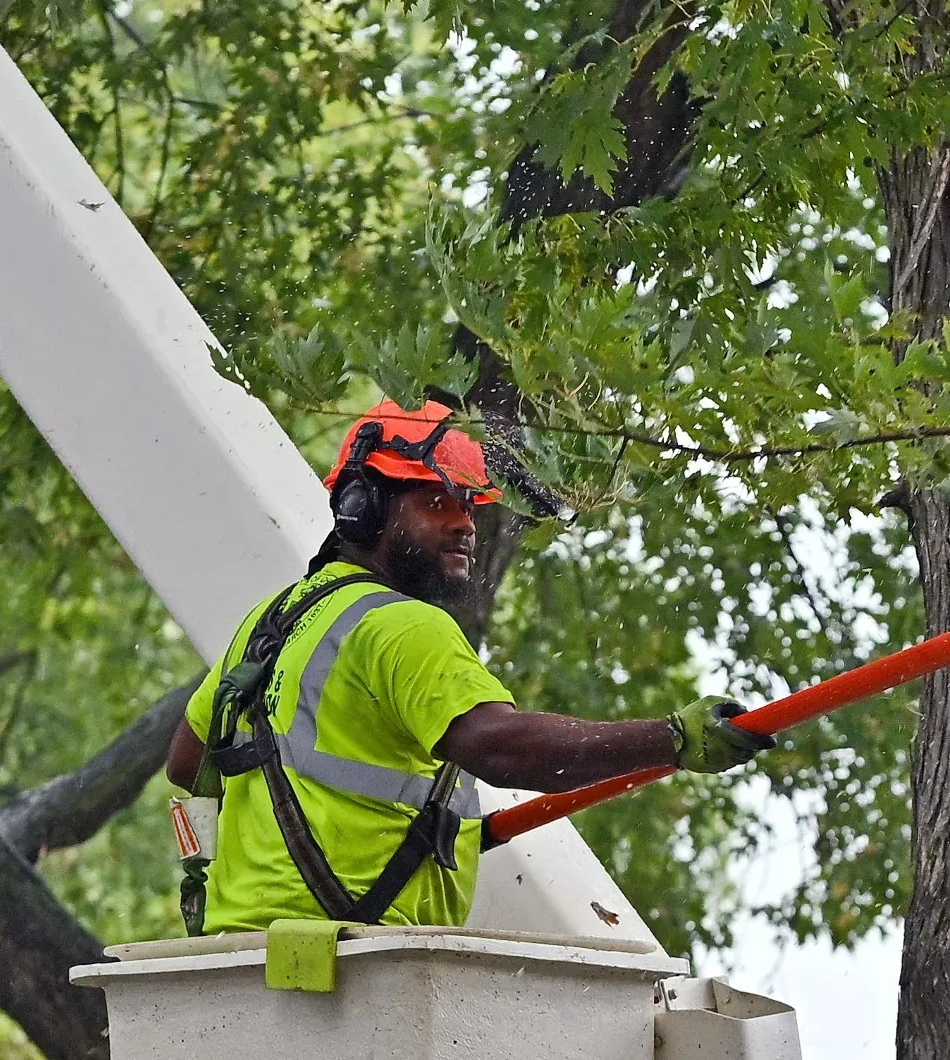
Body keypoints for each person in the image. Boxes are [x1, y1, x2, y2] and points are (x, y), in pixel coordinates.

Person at [165, 398, 773, 934]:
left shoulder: (270, 621)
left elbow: (188, 762)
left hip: (240, 955)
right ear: (364, 509)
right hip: (346, 975)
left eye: (468, 506)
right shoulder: (400, 625)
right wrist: (672, 738)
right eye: (435, 501)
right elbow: (501, 748)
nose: (463, 525)